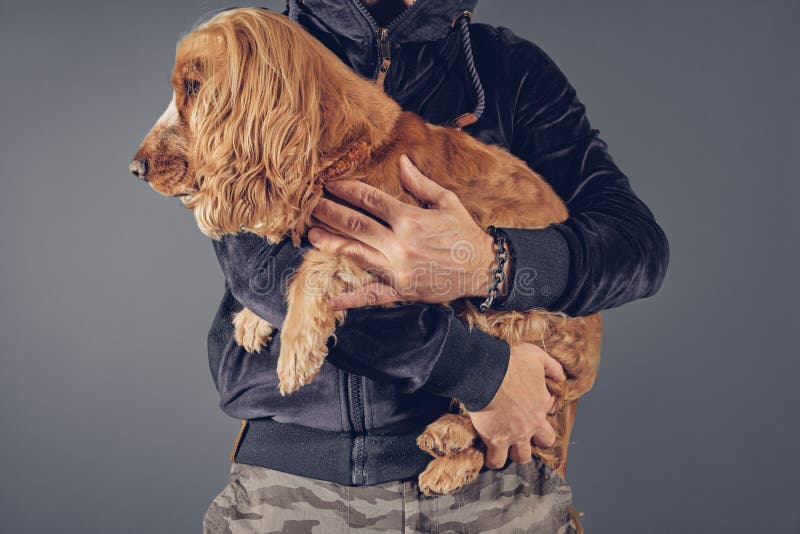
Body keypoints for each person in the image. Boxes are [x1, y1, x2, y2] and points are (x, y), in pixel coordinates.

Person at [203, 1, 669, 532]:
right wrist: (482, 372)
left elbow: (637, 247)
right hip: (295, 486)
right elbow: (263, 271)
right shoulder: (252, 54)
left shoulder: (506, 68)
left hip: (495, 478)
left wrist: (490, 264)